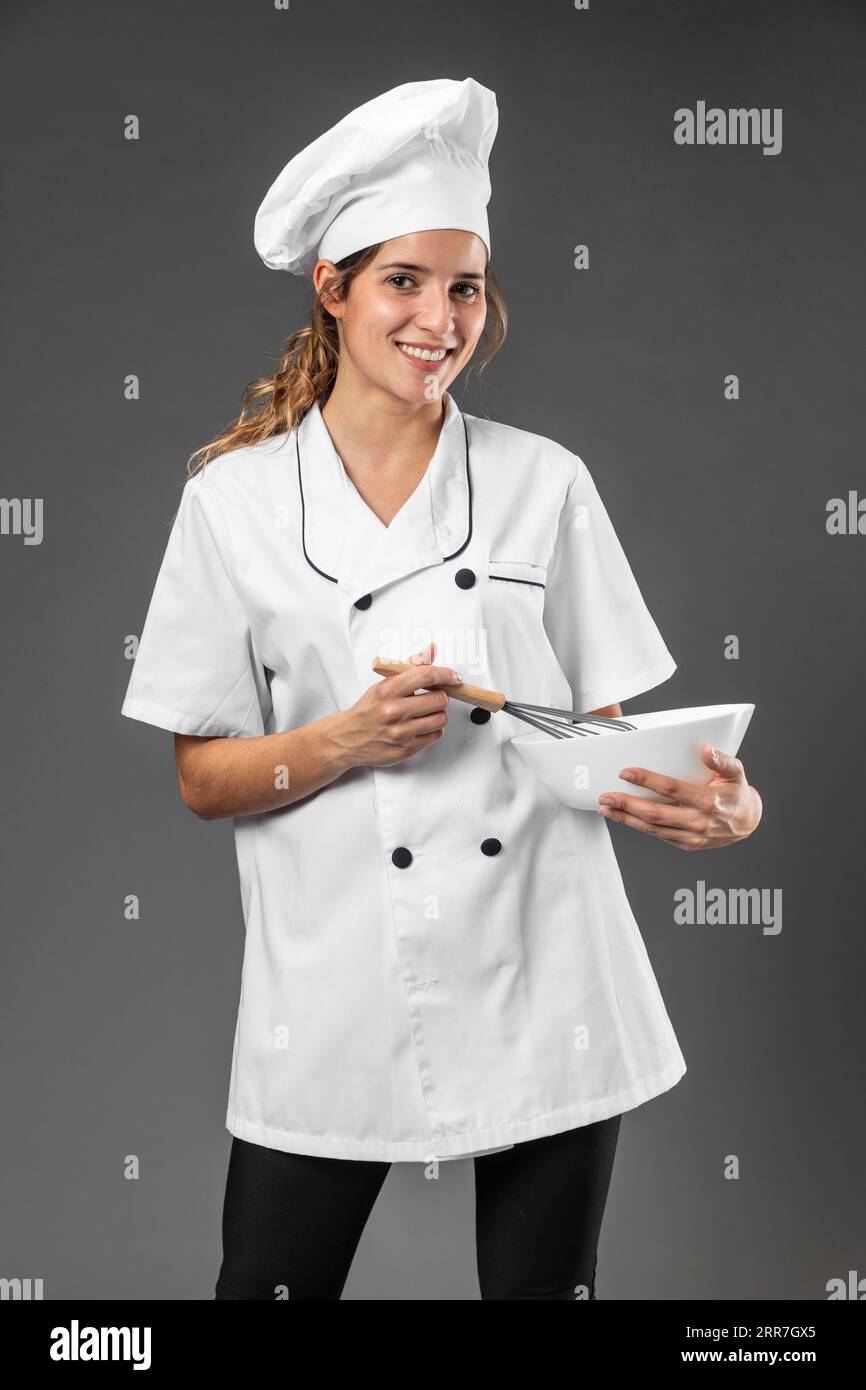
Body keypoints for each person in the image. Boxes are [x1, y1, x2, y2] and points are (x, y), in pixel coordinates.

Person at [121, 77, 763, 1300]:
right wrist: (348, 740)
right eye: (403, 282)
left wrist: (723, 808)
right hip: (333, 987)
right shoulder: (231, 505)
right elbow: (204, 779)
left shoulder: (544, 481)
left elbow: (608, 739)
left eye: (462, 286)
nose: (439, 318)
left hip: (546, 964)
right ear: (335, 289)